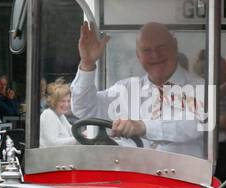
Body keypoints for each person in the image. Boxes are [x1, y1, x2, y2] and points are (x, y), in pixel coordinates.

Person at [73, 20, 206, 157]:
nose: (155, 55)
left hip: (184, 177)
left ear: (175, 46)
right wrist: (87, 64)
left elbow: (194, 125)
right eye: (147, 50)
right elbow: (83, 108)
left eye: (161, 47)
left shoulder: (200, 87)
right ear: (138, 55)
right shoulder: (125, 89)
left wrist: (143, 127)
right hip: (130, 176)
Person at [39, 80, 76, 146]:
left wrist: (83, 134)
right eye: (62, 101)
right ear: (54, 101)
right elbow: (53, 143)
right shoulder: (49, 115)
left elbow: (73, 132)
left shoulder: (60, 116)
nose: (66, 104)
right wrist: (77, 139)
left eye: (68, 101)